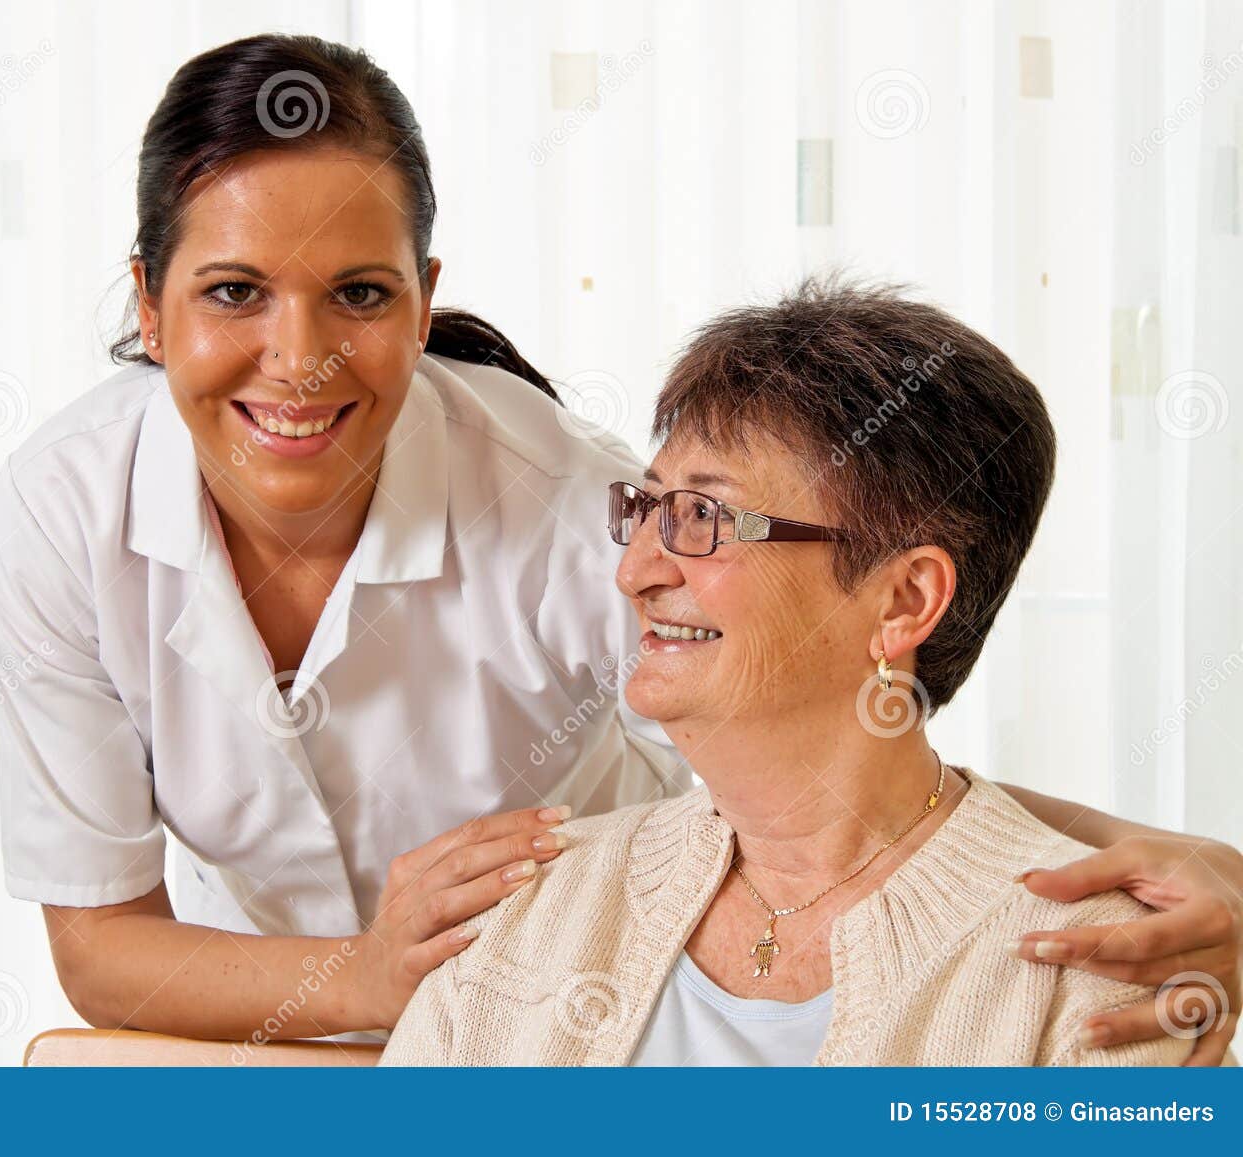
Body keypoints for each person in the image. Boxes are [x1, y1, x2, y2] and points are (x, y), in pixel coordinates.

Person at [0, 34, 1242, 1056]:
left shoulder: (571, 506)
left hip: (573, 1008)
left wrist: (1160, 862)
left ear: (423, 299)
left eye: (359, 294)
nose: (298, 357)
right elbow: (100, 948)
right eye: (233, 291)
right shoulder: (64, 512)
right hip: (337, 1015)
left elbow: (835, 733)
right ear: (149, 305)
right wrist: (368, 973)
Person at [380, 281, 1231, 1065]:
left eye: (702, 516)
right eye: (647, 508)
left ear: (905, 598)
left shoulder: (1106, 965)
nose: (637, 569)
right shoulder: (524, 909)